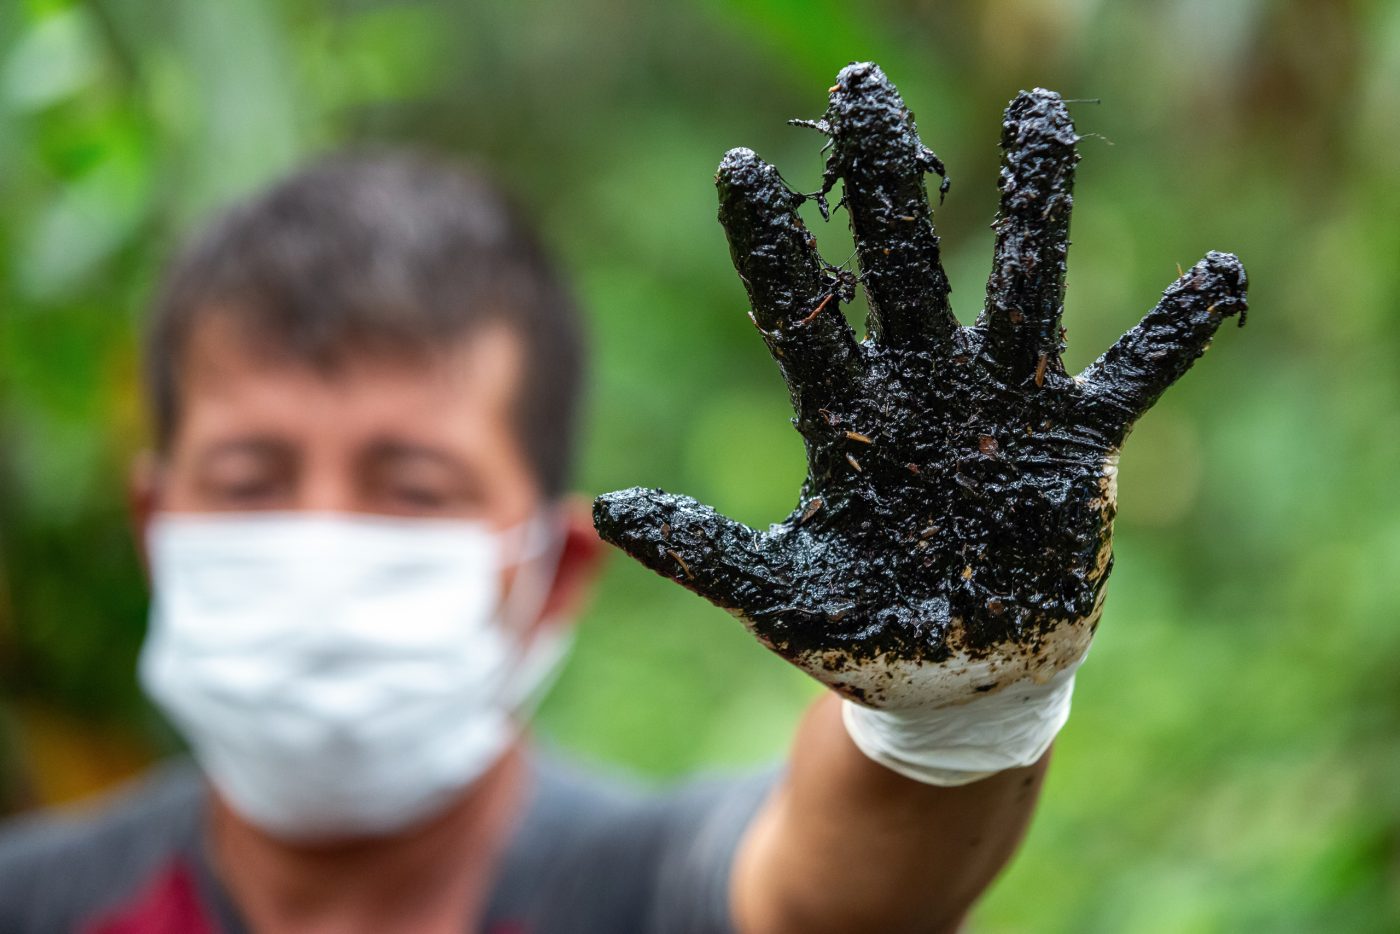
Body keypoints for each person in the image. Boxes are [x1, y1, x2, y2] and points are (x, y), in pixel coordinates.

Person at [0, 64, 1247, 934]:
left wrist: (971, 693)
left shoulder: (651, 889)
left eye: (411, 485)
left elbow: (837, 887)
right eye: (252, 479)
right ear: (156, 525)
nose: (325, 531)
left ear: (552, 566)